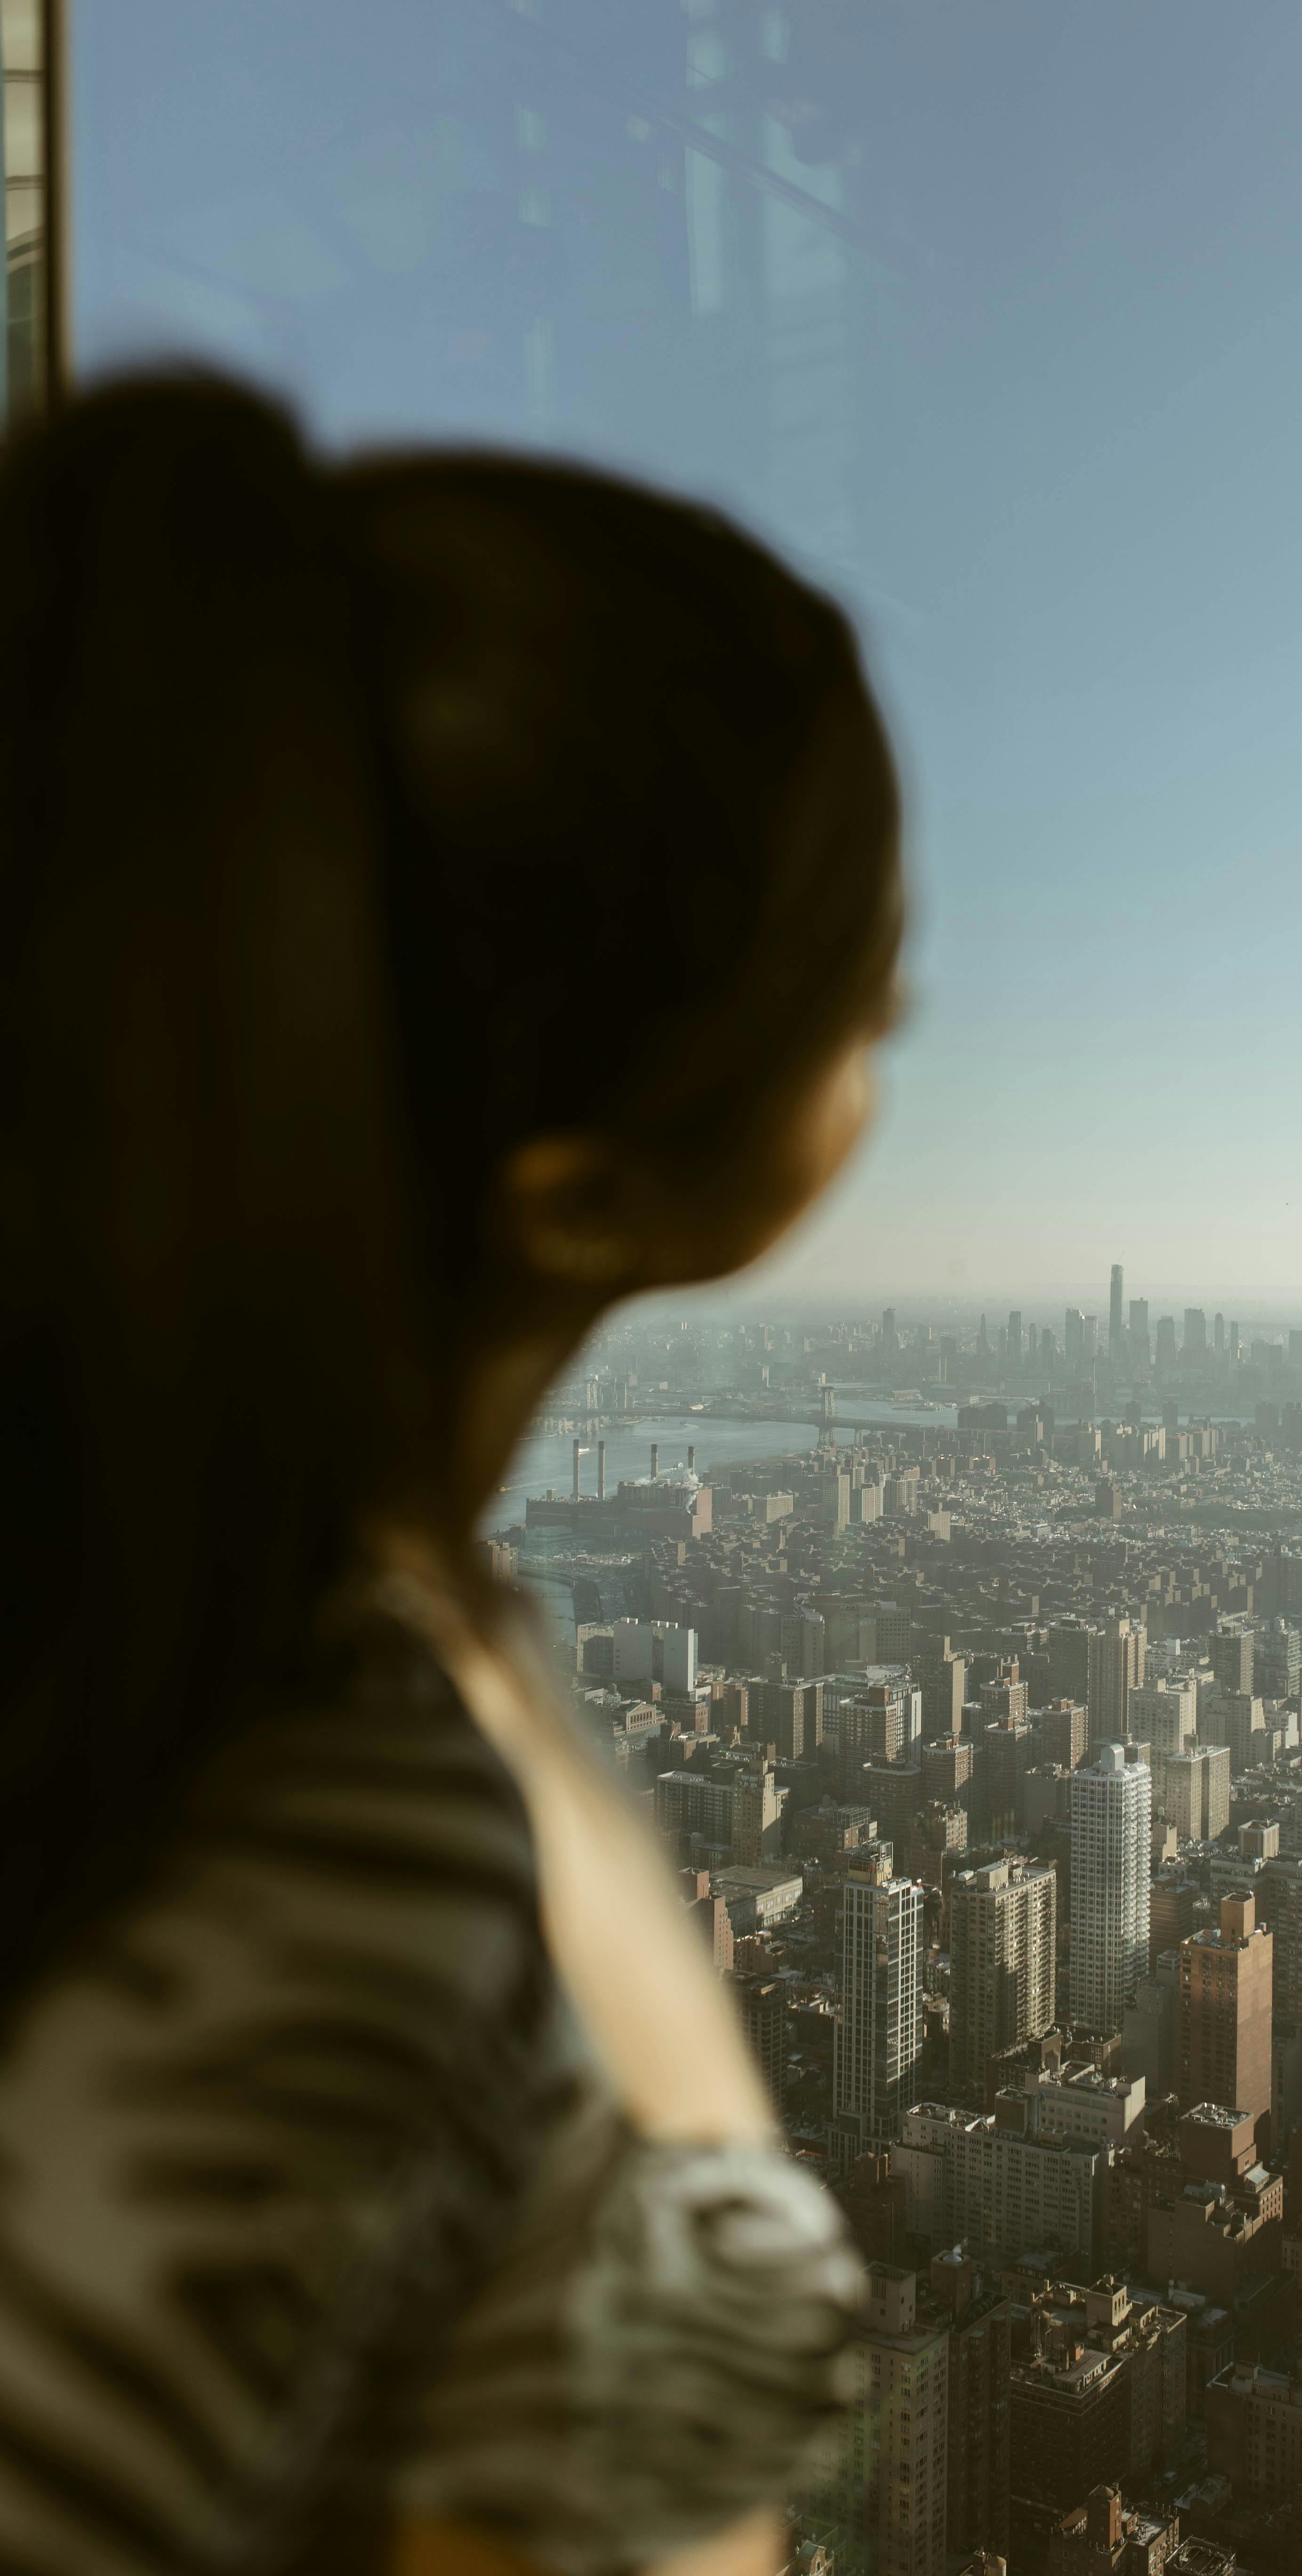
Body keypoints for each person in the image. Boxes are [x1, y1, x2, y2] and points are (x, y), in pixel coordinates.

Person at [0, 372, 904, 2575]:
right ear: (584, 1186)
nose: (890, 1035)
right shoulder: (340, 1836)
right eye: (863, 991)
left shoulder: (324, 1630)